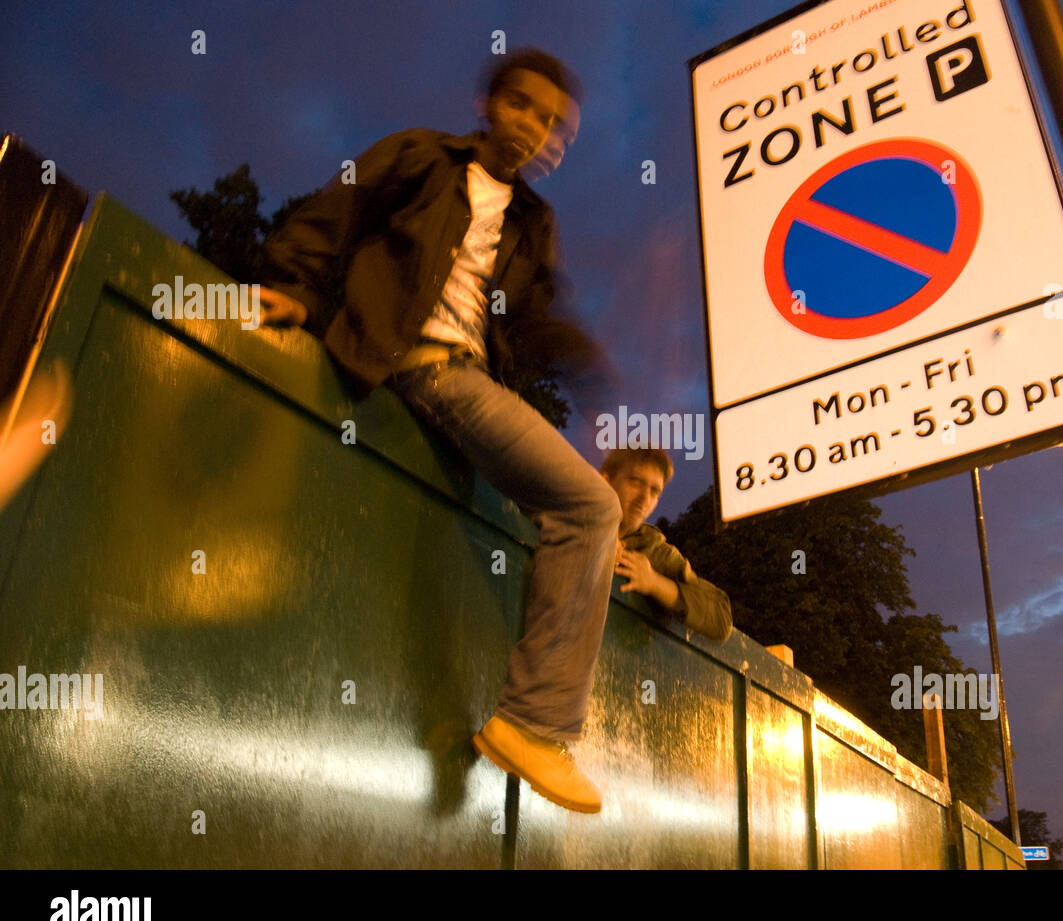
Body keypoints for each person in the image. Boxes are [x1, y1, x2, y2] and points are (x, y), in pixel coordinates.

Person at [257, 49, 620, 815]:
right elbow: (335, 217)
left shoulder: (533, 223)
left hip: (471, 380)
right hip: (422, 366)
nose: (537, 130)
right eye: (524, 106)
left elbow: (537, 324)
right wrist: (294, 290)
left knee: (569, 518)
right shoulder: (420, 155)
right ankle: (533, 724)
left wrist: (591, 368)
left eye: (556, 127)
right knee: (590, 509)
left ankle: (503, 729)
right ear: (488, 105)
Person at [600, 448, 732, 644]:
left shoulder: (653, 548)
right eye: (635, 482)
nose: (644, 499)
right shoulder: (567, 512)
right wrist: (598, 541)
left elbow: (720, 617)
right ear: (606, 480)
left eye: (654, 491)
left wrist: (652, 581)